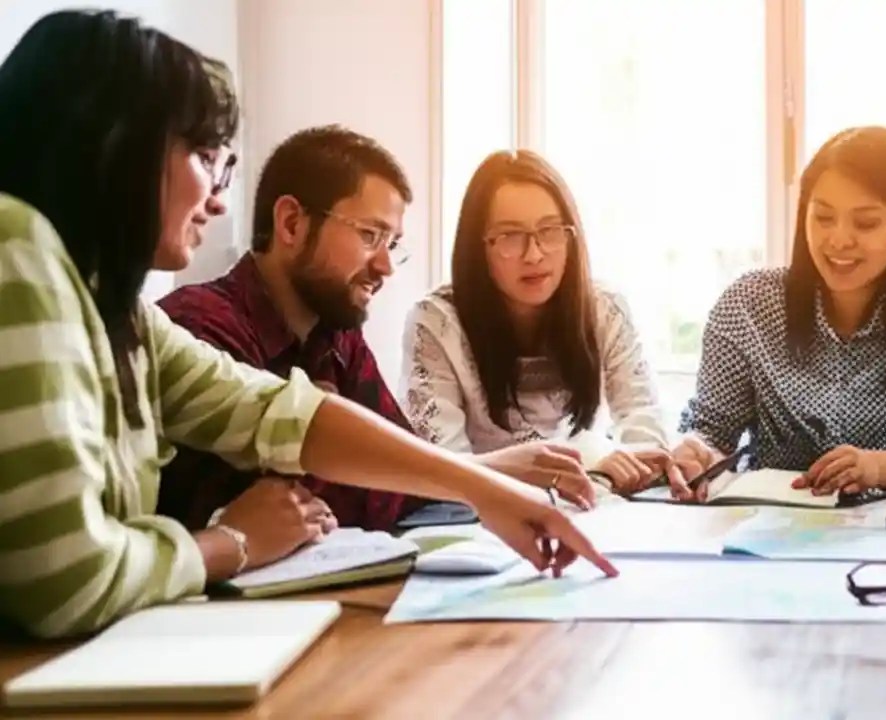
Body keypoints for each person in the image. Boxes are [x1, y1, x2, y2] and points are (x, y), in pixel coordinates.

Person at [0, 10, 613, 640]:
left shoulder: (117, 310)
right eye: (205, 157)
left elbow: (273, 410)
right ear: (115, 147)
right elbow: (67, 582)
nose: (217, 196)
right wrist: (229, 544)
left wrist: (483, 486)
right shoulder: (17, 246)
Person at [157, 126, 597, 532]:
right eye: (370, 235)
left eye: (392, 244)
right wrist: (480, 475)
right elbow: (294, 508)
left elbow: (398, 480)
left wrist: (498, 469)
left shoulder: (336, 335)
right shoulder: (199, 327)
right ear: (291, 223)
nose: (385, 266)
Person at [671, 126, 886, 503]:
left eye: (866, 223)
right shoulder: (748, 304)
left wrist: (877, 468)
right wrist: (696, 450)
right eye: (823, 217)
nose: (839, 240)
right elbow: (712, 430)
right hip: (770, 528)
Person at [401, 150, 671, 507]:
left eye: (549, 231)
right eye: (511, 236)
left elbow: (644, 428)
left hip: (593, 511)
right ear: (477, 246)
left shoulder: (604, 309)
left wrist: (628, 464)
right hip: (483, 524)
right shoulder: (436, 323)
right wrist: (588, 463)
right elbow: (441, 468)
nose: (534, 254)